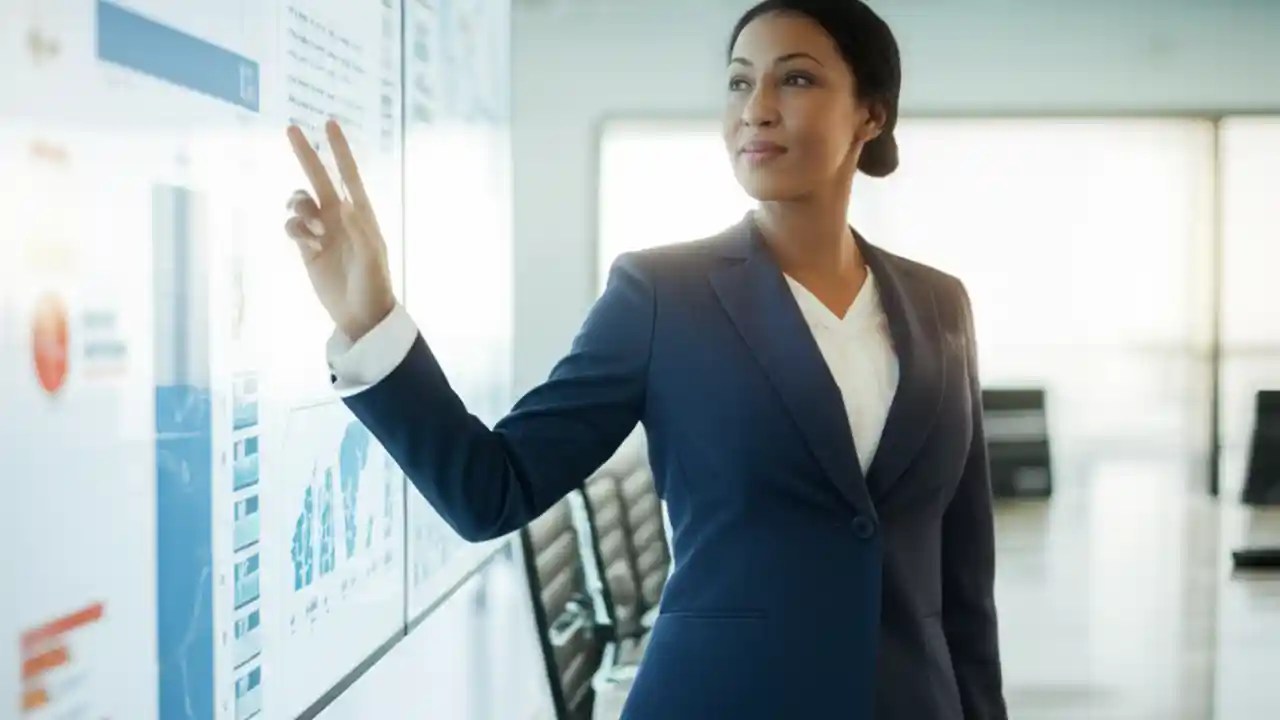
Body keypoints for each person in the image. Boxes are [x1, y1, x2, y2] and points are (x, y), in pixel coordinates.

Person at [283, 0, 1006, 717]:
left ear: (870, 114)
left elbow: (964, 581)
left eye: (795, 80)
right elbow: (490, 491)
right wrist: (370, 318)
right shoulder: (664, 295)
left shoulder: (941, 306)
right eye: (737, 81)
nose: (754, 108)